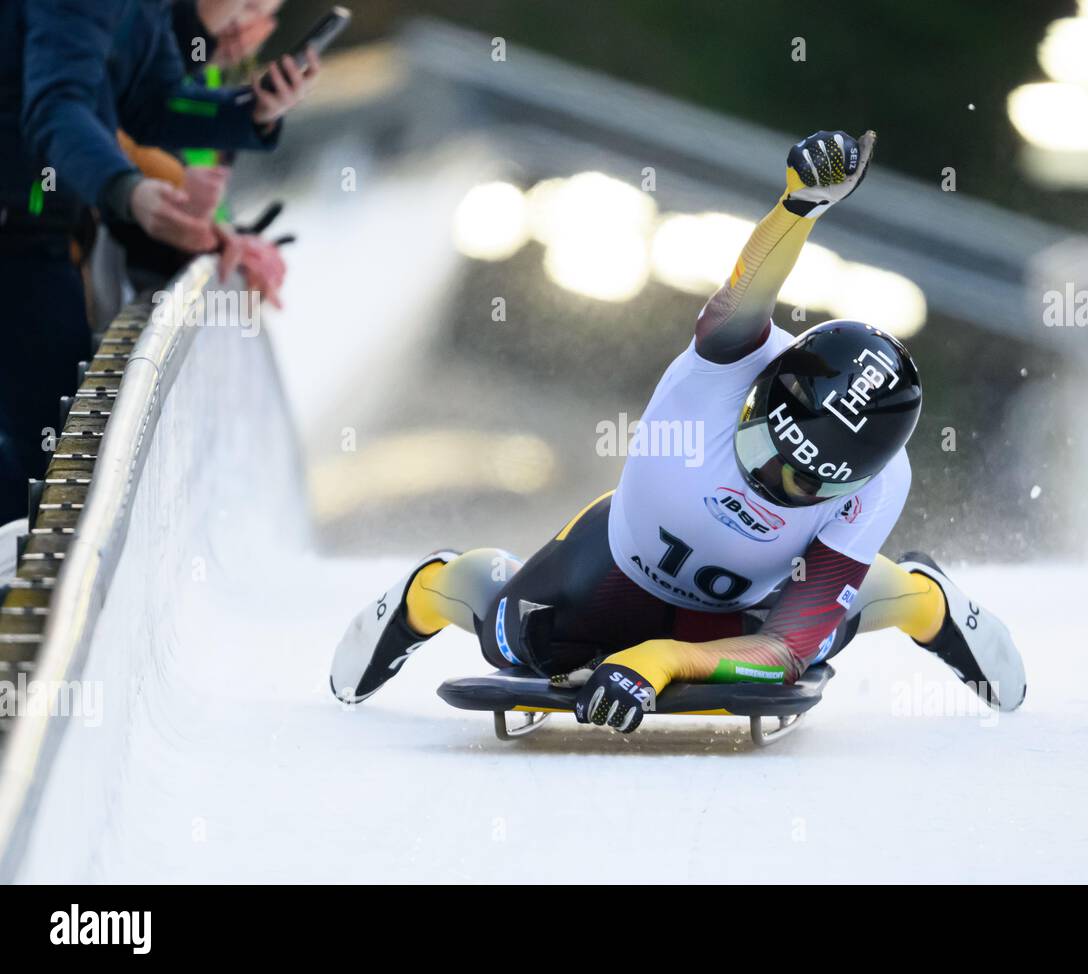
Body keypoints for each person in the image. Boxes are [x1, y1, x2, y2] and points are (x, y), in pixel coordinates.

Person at [330, 129, 1027, 733]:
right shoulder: (726, 362)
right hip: (618, 559)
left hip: (756, 600)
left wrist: (660, 661)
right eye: (776, 456)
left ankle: (920, 598)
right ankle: (440, 582)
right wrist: (799, 207)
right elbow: (748, 286)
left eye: (810, 483)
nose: (781, 483)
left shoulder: (882, 484)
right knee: (517, 645)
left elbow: (785, 646)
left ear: (858, 477)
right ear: (760, 395)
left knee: (813, 645)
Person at [0, 0, 317, 523]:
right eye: (248, 1)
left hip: (42, 232)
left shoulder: (148, 13)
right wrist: (130, 192)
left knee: (54, 449)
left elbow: (154, 103)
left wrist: (250, 110)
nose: (249, 18)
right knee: (49, 459)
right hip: (22, 233)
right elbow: (57, 108)